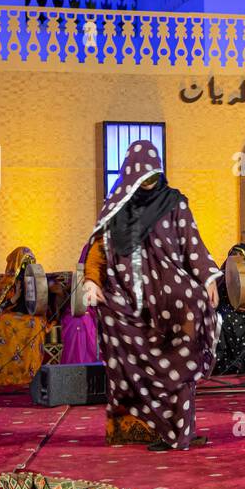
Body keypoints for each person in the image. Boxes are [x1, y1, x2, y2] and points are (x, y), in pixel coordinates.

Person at [81, 140, 220, 450]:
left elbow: (192, 245)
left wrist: (209, 278)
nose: (148, 182)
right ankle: (145, 430)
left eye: (153, 175)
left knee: (178, 366)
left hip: (173, 302)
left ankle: (178, 434)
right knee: (130, 365)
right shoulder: (116, 208)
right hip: (128, 305)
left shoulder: (175, 203)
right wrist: (92, 281)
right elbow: (99, 251)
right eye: (142, 177)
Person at [0, 246, 50, 386]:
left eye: (30, 261)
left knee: (35, 324)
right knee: (4, 323)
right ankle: (7, 372)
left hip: (30, 315)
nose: (26, 266)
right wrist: (14, 298)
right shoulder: (5, 283)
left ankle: (30, 373)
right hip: (10, 315)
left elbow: (43, 304)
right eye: (23, 262)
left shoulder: (37, 279)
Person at [213, 243, 245, 375]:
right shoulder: (221, 273)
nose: (237, 257)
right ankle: (225, 362)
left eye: (241, 255)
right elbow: (216, 296)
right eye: (234, 254)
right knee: (222, 317)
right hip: (226, 309)